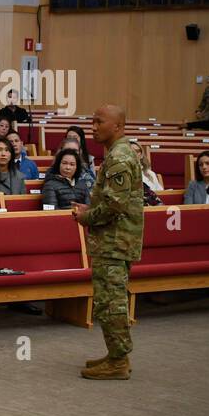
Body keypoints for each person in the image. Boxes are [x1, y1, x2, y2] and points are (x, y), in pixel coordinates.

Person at [72, 104, 143, 380]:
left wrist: (85, 217)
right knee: (109, 298)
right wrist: (89, 209)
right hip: (114, 241)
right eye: (92, 122)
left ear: (117, 126)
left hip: (115, 242)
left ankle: (118, 361)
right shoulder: (117, 153)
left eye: (99, 122)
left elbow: (114, 206)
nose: (93, 127)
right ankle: (116, 354)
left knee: (111, 301)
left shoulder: (119, 158)